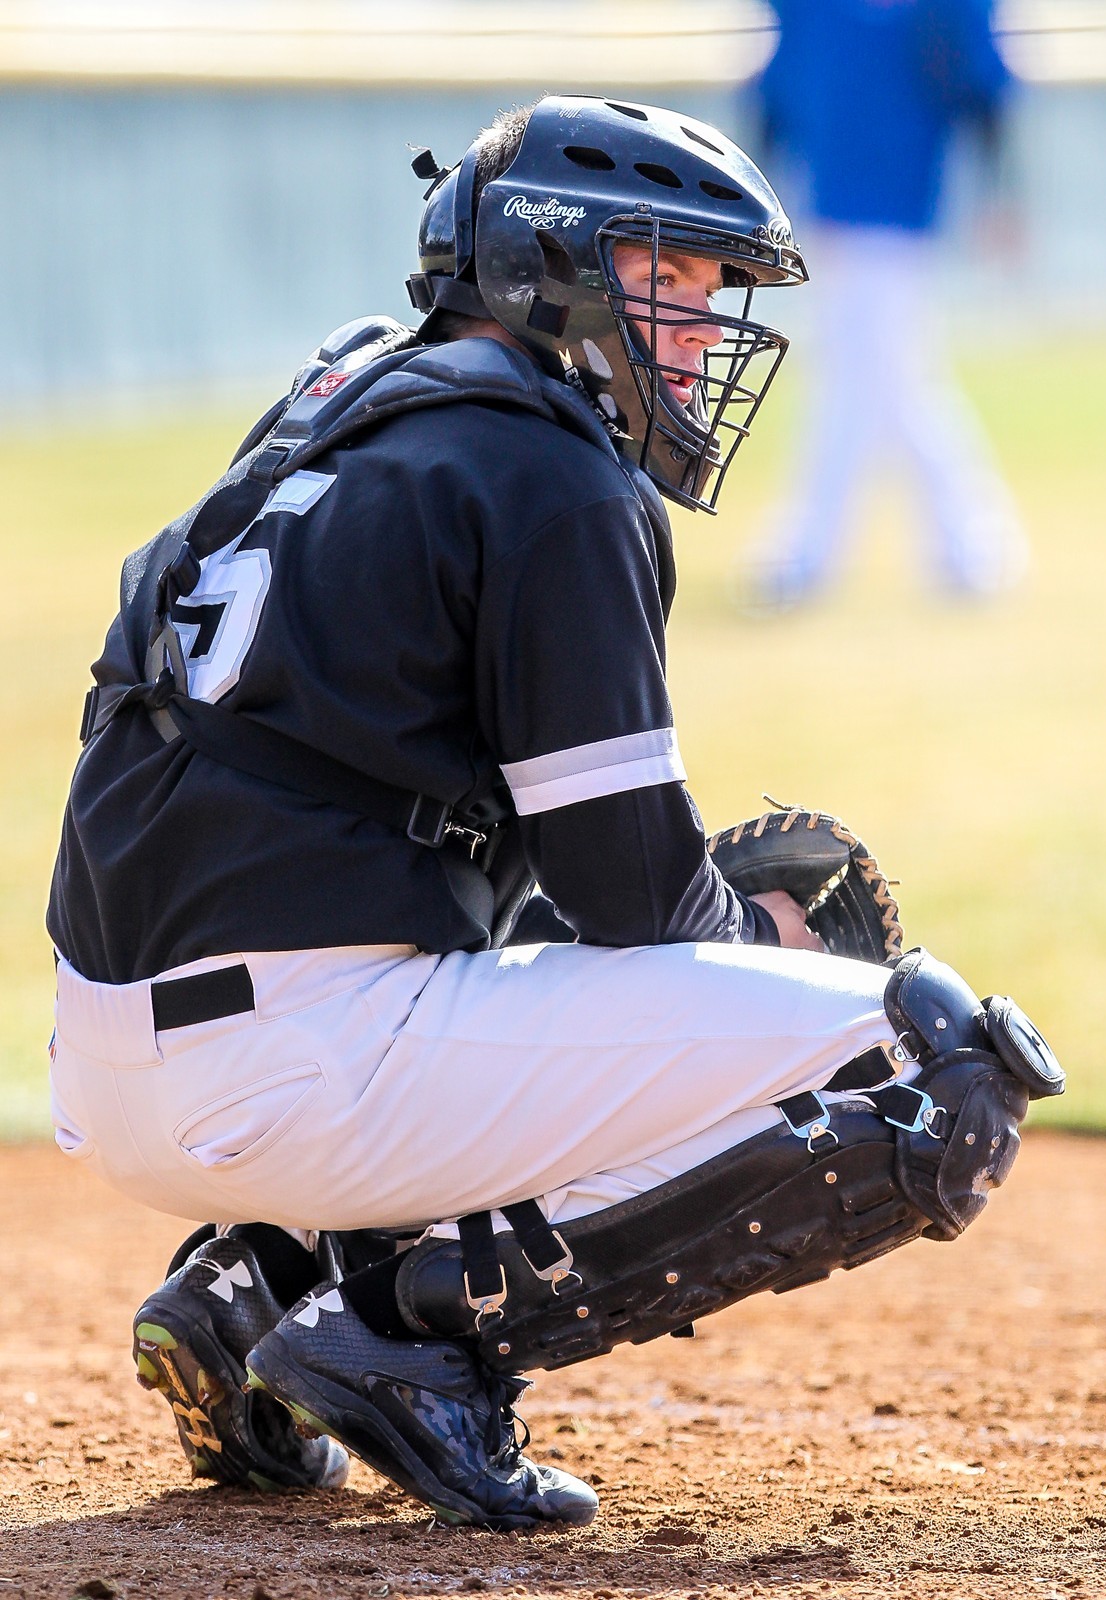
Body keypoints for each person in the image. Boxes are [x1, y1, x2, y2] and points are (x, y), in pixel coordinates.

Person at [47, 95, 1049, 1529]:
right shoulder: (552, 471)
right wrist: (758, 936)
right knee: (927, 1063)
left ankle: (246, 1293)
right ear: (549, 265)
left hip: (113, 1058)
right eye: (675, 281)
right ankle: (414, 1337)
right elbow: (637, 899)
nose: (704, 333)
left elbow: (393, 818)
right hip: (296, 1064)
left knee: (493, 951)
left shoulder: (345, 406)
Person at [739, 0, 1027, 609]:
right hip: (825, 201)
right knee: (880, 377)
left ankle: (821, 549)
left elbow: (985, 90)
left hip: (899, 204)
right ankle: (965, 543)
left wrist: (1000, 193)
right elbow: (777, 89)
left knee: (870, 379)